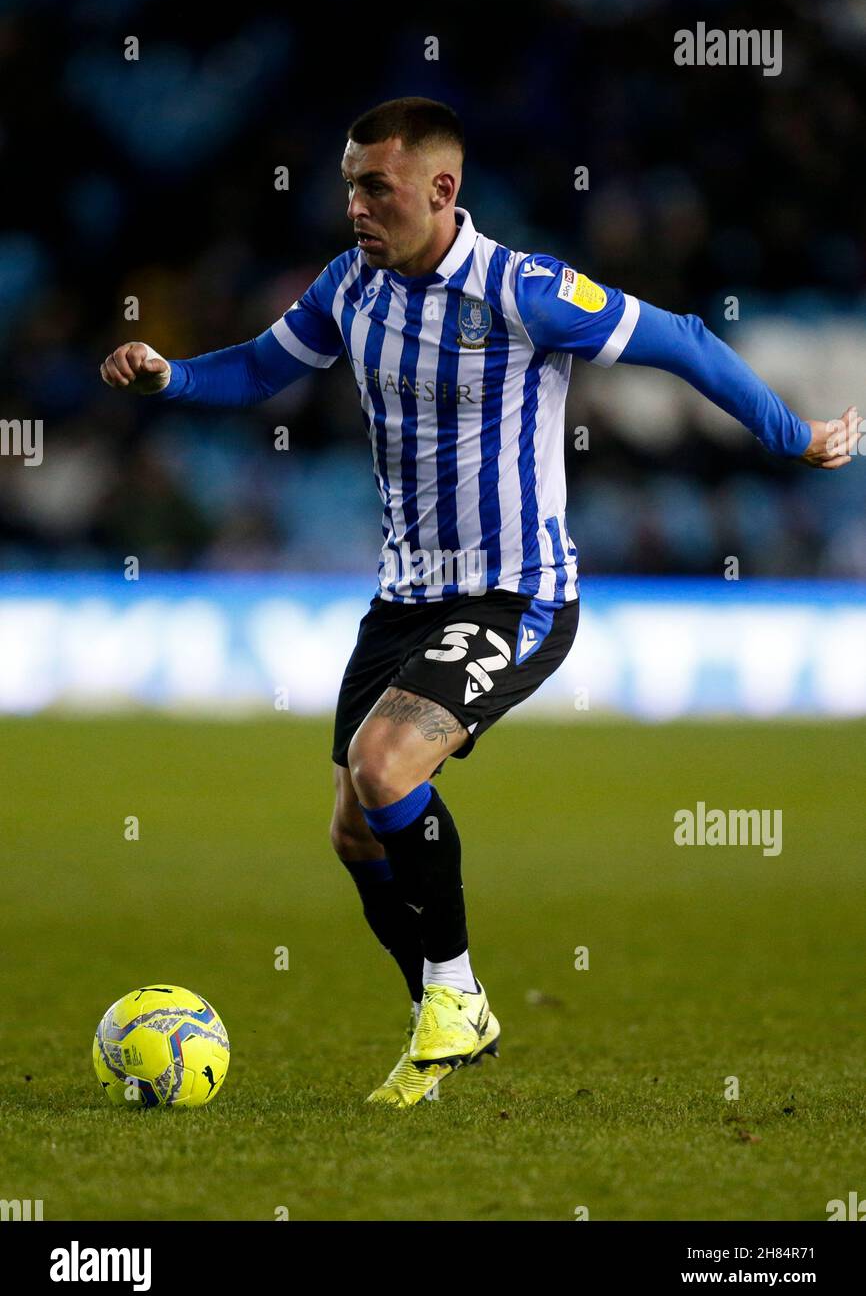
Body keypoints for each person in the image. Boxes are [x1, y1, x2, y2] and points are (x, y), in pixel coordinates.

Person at [101, 95, 860, 1108]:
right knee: (354, 831)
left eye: (374, 186)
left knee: (381, 766)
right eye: (349, 187)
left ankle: (455, 995)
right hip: (403, 599)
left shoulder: (522, 290)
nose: (356, 207)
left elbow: (680, 338)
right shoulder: (349, 287)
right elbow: (257, 371)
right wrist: (168, 377)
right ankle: (443, 1014)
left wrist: (790, 435)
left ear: (438, 188)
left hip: (517, 593)